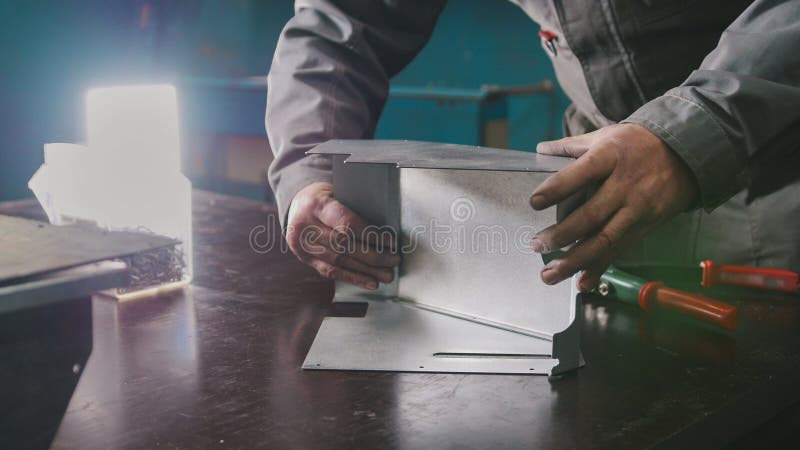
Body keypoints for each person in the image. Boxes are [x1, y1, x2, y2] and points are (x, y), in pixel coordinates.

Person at [266, 0, 800, 292]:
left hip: (776, 179)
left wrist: (692, 133)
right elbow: (343, 22)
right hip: (598, 193)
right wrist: (307, 169)